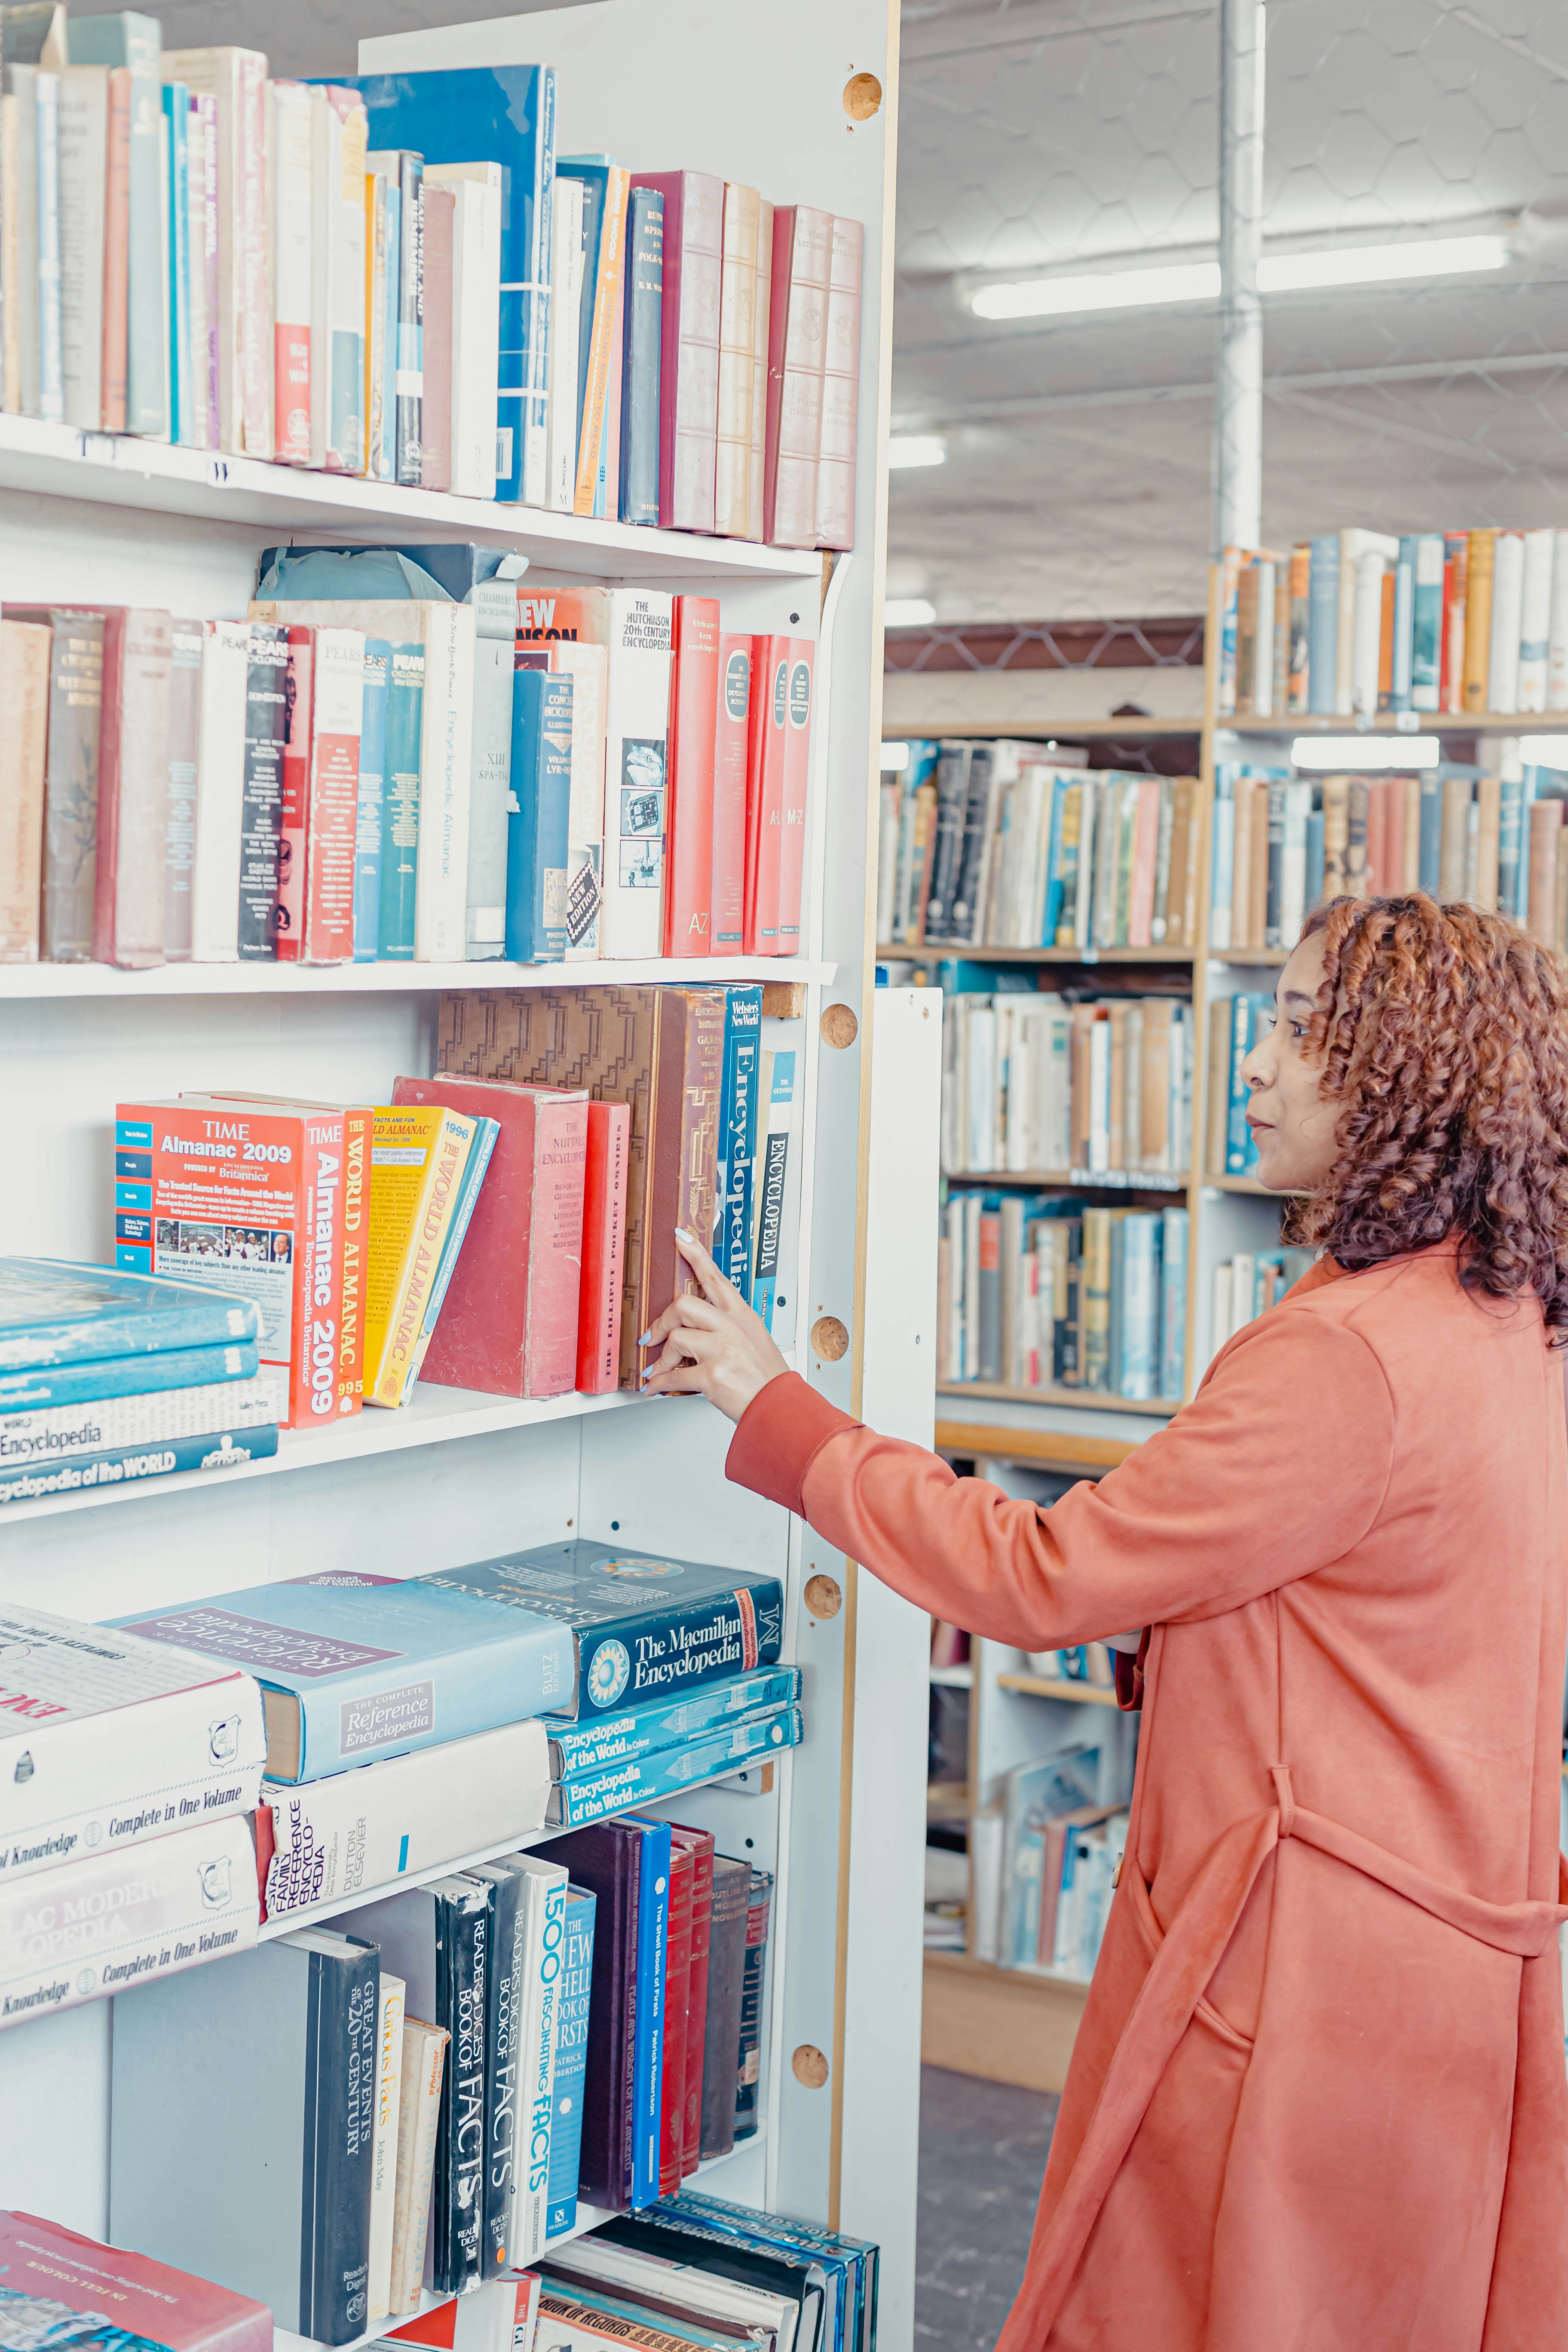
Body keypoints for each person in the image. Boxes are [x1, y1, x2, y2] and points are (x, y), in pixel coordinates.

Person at [641, 893, 1568, 2351]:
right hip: (1441, 1957)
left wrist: (782, 1412)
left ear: (1406, 1076)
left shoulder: (1346, 1360)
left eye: (1303, 1031)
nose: (1254, 1068)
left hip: (1301, 1973)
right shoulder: (1506, 1310)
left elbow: (1039, 1574)